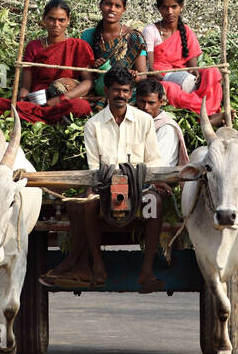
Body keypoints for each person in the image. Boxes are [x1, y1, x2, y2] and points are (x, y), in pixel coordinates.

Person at [40, 67, 168, 293]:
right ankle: (97, 266)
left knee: (155, 204)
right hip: (105, 186)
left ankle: (147, 271)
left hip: (140, 187)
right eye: (116, 90)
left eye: (126, 91)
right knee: (87, 202)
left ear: (131, 94)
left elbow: (154, 161)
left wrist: (146, 180)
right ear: (107, 91)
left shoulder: (144, 121)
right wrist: (109, 183)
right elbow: (93, 167)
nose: (121, 95)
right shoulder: (93, 125)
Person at [0, 0, 95, 124]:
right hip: (38, 102)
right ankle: (46, 117)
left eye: (61, 20)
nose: (56, 24)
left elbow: (88, 82)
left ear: (68, 20)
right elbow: (26, 86)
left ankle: (34, 117)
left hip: (63, 102)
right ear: (44, 19)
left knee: (81, 106)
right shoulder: (33, 46)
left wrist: (62, 99)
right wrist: (22, 100)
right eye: (51, 19)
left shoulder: (78, 45)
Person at [140, 0, 224, 117]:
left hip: (185, 77)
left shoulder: (187, 32)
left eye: (174, 7)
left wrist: (194, 73)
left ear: (181, 6)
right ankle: (208, 112)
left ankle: (208, 108)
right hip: (162, 79)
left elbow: (193, 67)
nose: (169, 12)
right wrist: (169, 78)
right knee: (170, 89)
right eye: (165, 7)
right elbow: (151, 69)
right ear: (158, 8)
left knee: (212, 71)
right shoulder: (150, 31)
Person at [80, 0, 148, 101]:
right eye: (108, 4)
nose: (112, 9)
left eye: (117, 6)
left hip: (126, 91)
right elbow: (84, 71)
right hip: (98, 89)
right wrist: (95, 65)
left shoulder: (134, 37)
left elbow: (143, 75)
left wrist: (134, 77)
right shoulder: (88, 35)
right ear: (100, 6)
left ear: (124, 10)